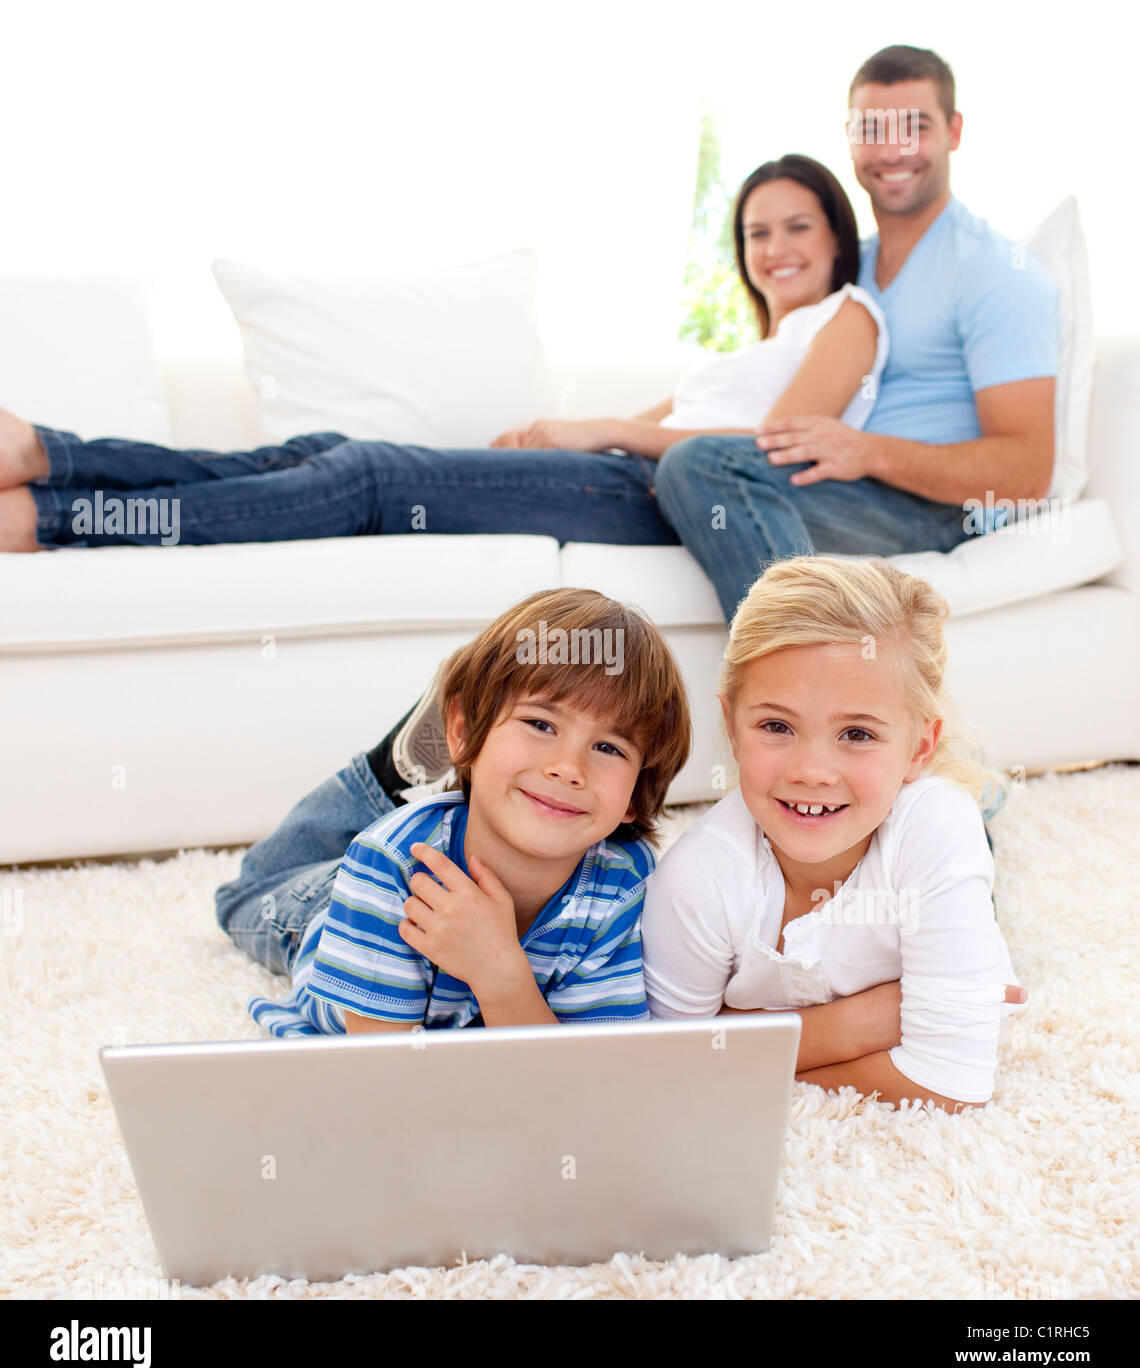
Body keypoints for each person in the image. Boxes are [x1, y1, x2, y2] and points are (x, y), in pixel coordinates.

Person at [0, 155, 885, 565]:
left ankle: (55, 517)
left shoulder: (848, 315)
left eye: (797, 226)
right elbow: (664, 425)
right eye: (757, 231)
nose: (774, 247)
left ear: (836, 235)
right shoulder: (753, 346)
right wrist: (561, 437)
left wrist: (603, 428)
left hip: (659, 501)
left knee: (366, 477)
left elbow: (771, 442)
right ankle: (51, 456)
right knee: (312, 453)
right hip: (618, 472)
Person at [654, 43, 1061, 620]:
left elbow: (1025, 472)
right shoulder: (849, 266)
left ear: (955, 131)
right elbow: (766, 371)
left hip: (931, 508)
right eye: (872, 128)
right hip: (826, 482)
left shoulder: (996, 273)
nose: (892, 149)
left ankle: (799, 668)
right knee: (645, 472)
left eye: (914, 126)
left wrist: (867, 452)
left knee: (700, 466)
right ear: (849, 137)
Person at [638, 554, 1028, 1114]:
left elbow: (951, 1085)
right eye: (777, 726)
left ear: (920, 745)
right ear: (731, 726)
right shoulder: (698, 878)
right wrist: (865, 1022)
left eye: (856, 733)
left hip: (909, 822)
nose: (811, 769)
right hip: (872, 820)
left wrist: (744, 1038)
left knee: (967, 806)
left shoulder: (935, 824)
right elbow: (666, 1067)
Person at [214, 587, 691, 1036]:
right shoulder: (388, 867)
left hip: (420, 857)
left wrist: (500, 972)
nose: (568, 769)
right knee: (247, 893)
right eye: (540, 723)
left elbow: (584, 1079)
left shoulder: (625, 883)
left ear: (635, 796)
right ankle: (380, 778)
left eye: (608, 748)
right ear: (463, 732)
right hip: (336, 910)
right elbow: (384, 1081)